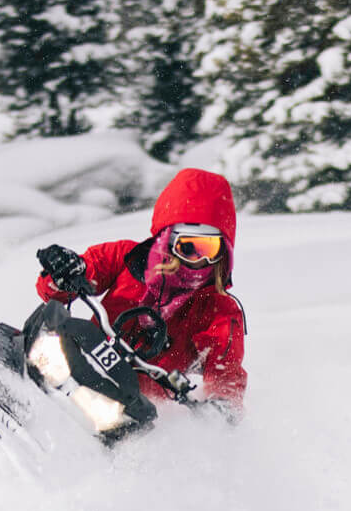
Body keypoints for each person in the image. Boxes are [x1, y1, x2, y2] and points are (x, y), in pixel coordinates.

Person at [35, 168, 246, 417]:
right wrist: (64, 271)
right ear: (168, 240)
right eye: (188, 246)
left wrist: (222, 407)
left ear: (224, 253)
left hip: (128, 407)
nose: (198, 259)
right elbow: (58, 290)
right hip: (79, 360)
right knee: (34, 342)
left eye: (209, 248)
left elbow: (225, 371)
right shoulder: (125, 258)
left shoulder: (218, 311)